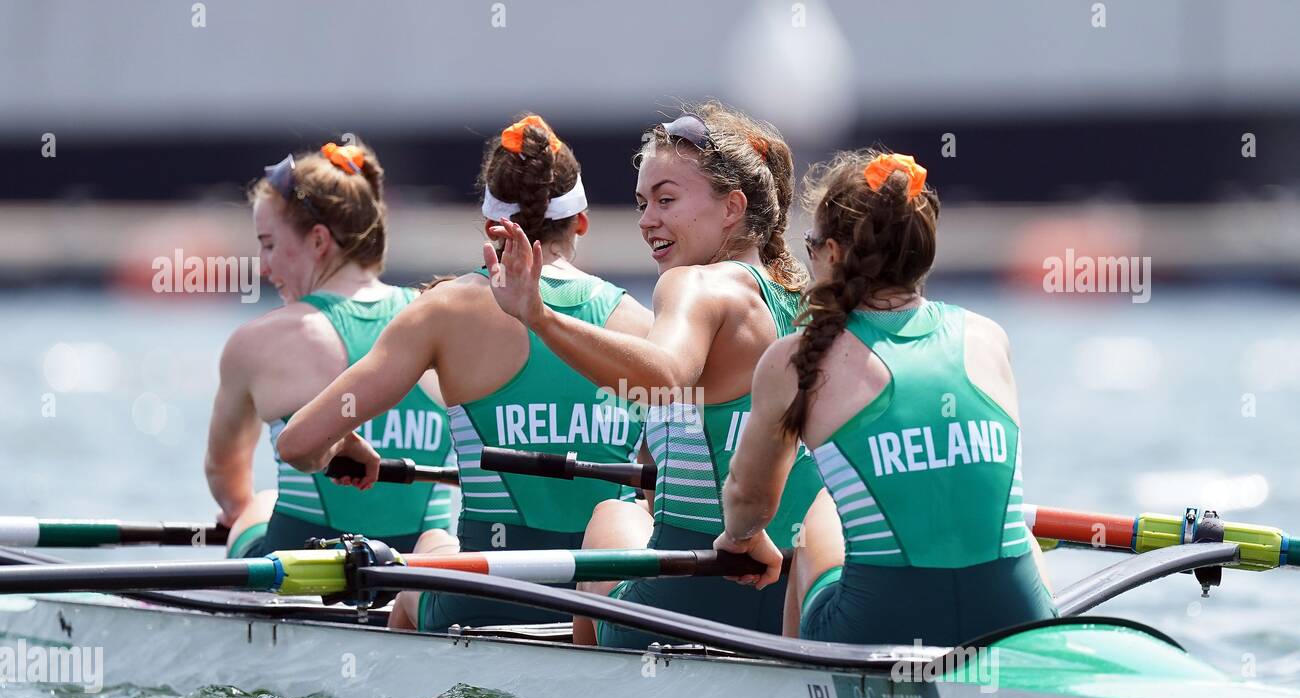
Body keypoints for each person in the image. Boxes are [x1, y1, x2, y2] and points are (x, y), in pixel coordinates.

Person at [276, 115, 651, 631]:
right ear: (581, 220)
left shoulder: (442, 310)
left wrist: (342, 442)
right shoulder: (640, 323)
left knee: (431, 547)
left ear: (491, 225)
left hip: (485, 596)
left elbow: (296, 445)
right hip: (597, 604)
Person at [486, 102, 822, 648]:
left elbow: (665, 375)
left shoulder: (694, 286)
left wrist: (538, 316)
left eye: (667, 200)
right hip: (790, 608)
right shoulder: (806, 302)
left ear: (732, 207)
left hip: (691, 604)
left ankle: (587, 694)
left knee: (609, 519)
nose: (646, 221)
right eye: (643, 203)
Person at [714, 149, 1055, 646]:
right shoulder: (987, 336)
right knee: (1019, 534)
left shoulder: (793, 360)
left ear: (832, 252)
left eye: (809, 244)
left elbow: (749, 500)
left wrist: (740, 539)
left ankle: (796, 689)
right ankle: (1047, 649)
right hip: (1013, 619)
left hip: (880, 625)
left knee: (819, 515)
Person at [207, 139, 456, 567]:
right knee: (441, 540)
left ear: (319, 240)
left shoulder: (258, 341)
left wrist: (239, 514)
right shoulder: (442, 320)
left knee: (257, 502)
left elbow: (224, 476)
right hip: (420, 574)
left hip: (296, 572)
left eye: (268, 243)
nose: (264, 266)